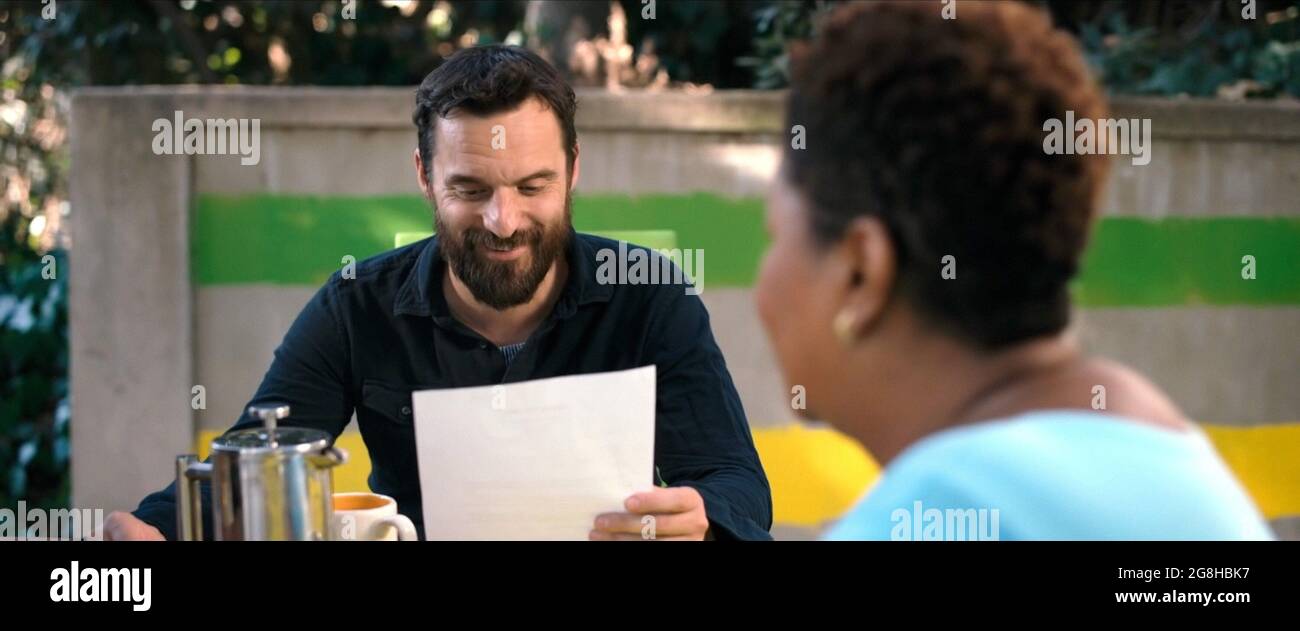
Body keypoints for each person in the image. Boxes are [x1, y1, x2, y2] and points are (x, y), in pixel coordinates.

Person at [105, 45, 772, 541]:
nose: (502, 222)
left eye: (532, 187)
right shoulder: (356, 305)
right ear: (425, 175)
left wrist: (702, 519)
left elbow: (739, 487)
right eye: (471, 190)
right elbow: (256, 453)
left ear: (573, 170)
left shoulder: (649, 297)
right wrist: (153, 529)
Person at [753, 0, 1273, 540]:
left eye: (774, 236)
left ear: (861, 272)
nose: (762, 282)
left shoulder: (938, 517)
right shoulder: (1163, 451)